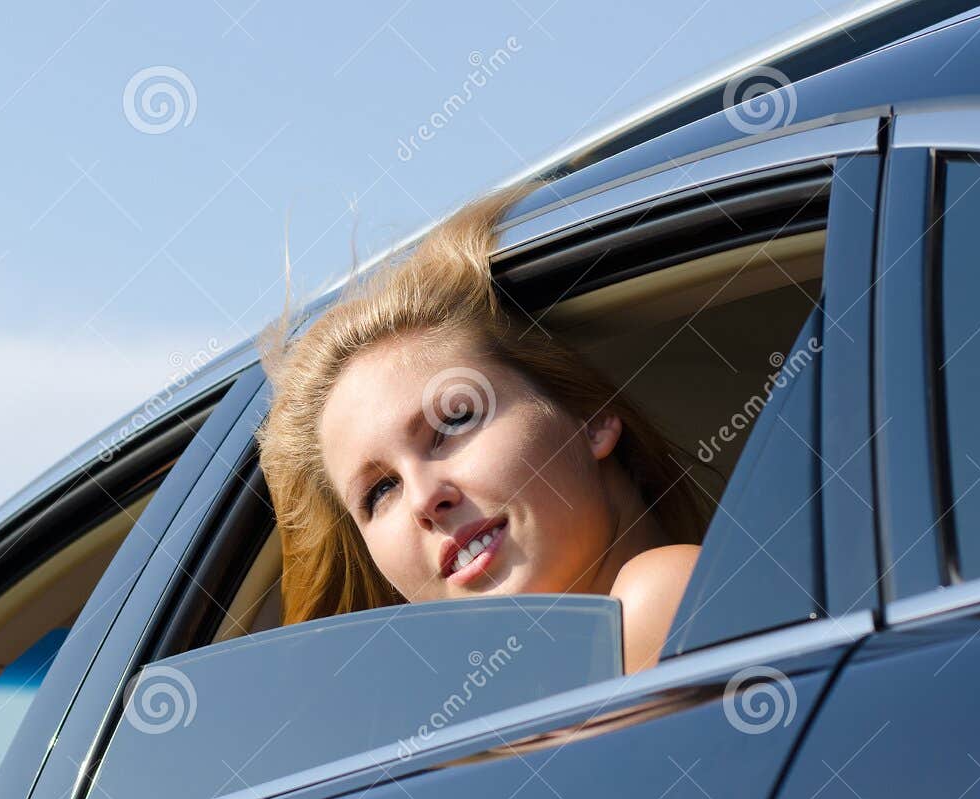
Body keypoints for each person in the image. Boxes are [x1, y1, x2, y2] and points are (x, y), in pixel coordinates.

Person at [256, 182, 709, 673]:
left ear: (591, 416)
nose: (423, 499)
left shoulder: (658, 595)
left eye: (454, 422)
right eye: (380, 491)